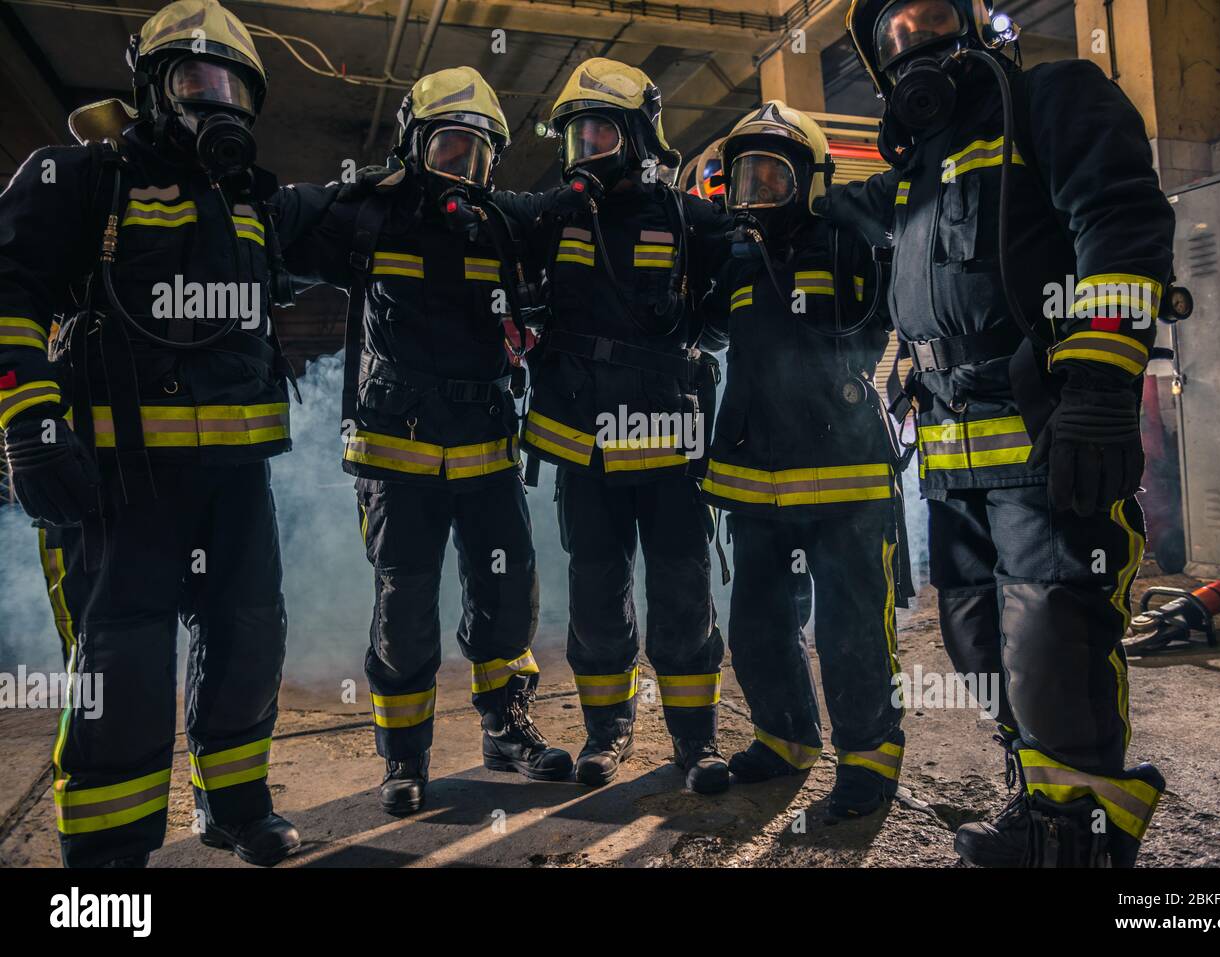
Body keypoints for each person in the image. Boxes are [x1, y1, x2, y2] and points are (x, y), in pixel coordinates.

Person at [829, 0, 1174, 865]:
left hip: (1047, 442)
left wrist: (1100, 387)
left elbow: (1122, 222)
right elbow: (831, 216)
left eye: (933, 18)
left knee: (1051, 642)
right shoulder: (909, 178)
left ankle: (1084, 838)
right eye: (894, 39)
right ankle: (1042, 808)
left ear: (980, 30)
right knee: (980, 644)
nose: (917, 45)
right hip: (950, 466)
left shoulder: (1053, 99)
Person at [0, 0, 311, 867]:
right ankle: (105, 871)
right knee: (123, 671)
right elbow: (9, 285)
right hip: (115, 482)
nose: (217, 103)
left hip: (236, 479)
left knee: (249, 638)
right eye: (195, 81)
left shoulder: (250, 203)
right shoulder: (80, 179)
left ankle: (236, 805)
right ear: (148, 90)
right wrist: (26, 418)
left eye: (234, 89)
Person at [276, 68, 572, 814]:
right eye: (447, 148)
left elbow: (570, 224)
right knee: (404, 608)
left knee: (506, 599)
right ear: (414, 147)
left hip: (486, 448)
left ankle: (506, 728)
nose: (461, 169)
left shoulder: (502, 225)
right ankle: (404, 762)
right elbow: (279, 225)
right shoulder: (370, 218)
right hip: (395, 453)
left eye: (475, 155)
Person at [493, 58, 733, 793]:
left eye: (599, 131)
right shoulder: (551, 216)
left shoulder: (687, 221)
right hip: (586, 455)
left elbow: (743, 288)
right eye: (575, 136)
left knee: (683, 594)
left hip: (668, 451)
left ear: (636, 137)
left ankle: (695, 742)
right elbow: (479, 226)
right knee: (597, 597)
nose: (585, 149)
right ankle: (608, 732)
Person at [700, 102, 909, 817]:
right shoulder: (730, 255)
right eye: (745, 176)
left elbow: (891, 305)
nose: (755, 189)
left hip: (846, 478)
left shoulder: (847, 240)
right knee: (757, 623)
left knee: (851, 629)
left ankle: (869, 762)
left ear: (809, 180)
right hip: (756, 480)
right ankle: (784, 740)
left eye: (772, 175)